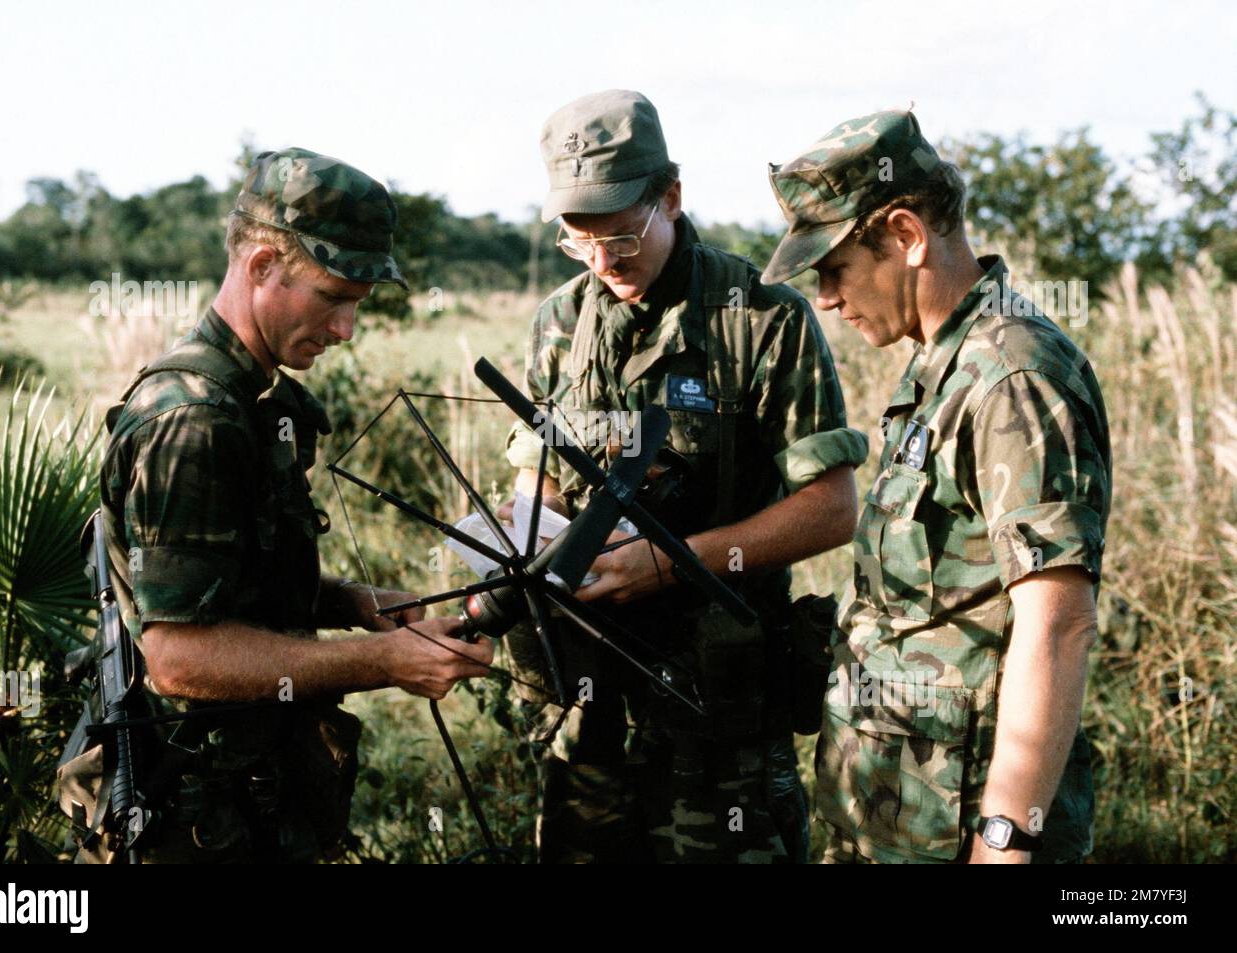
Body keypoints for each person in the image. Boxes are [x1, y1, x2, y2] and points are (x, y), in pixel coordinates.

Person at [80, 148, 493, 863]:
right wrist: (383, 660)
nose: (345, 330)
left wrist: (354, 603)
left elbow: (227, 587)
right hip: (191, 816)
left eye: (356, 306)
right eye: (332, 297)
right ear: (262, 265)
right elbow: (177, 654)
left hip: (248, 797)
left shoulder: (248, 396)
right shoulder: (196, 420)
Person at [504, 90, 867, 863]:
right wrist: (538, 543)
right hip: (589, 709)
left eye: (622, 233)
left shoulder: (763, 318)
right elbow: (534, 481)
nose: (604, 261)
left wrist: (671, 562)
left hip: (718, 716)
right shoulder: (557, 325)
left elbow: (832, 508)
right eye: (578, 239)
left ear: (671, 194)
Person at [761, 110, 1112, 863]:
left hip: (964, 829)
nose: (824, 297)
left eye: (833, 269)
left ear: (905, 236)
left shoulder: (1015, 376)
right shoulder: (941, 364)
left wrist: (1006, 837)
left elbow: (1057, 623)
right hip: (897, 816)